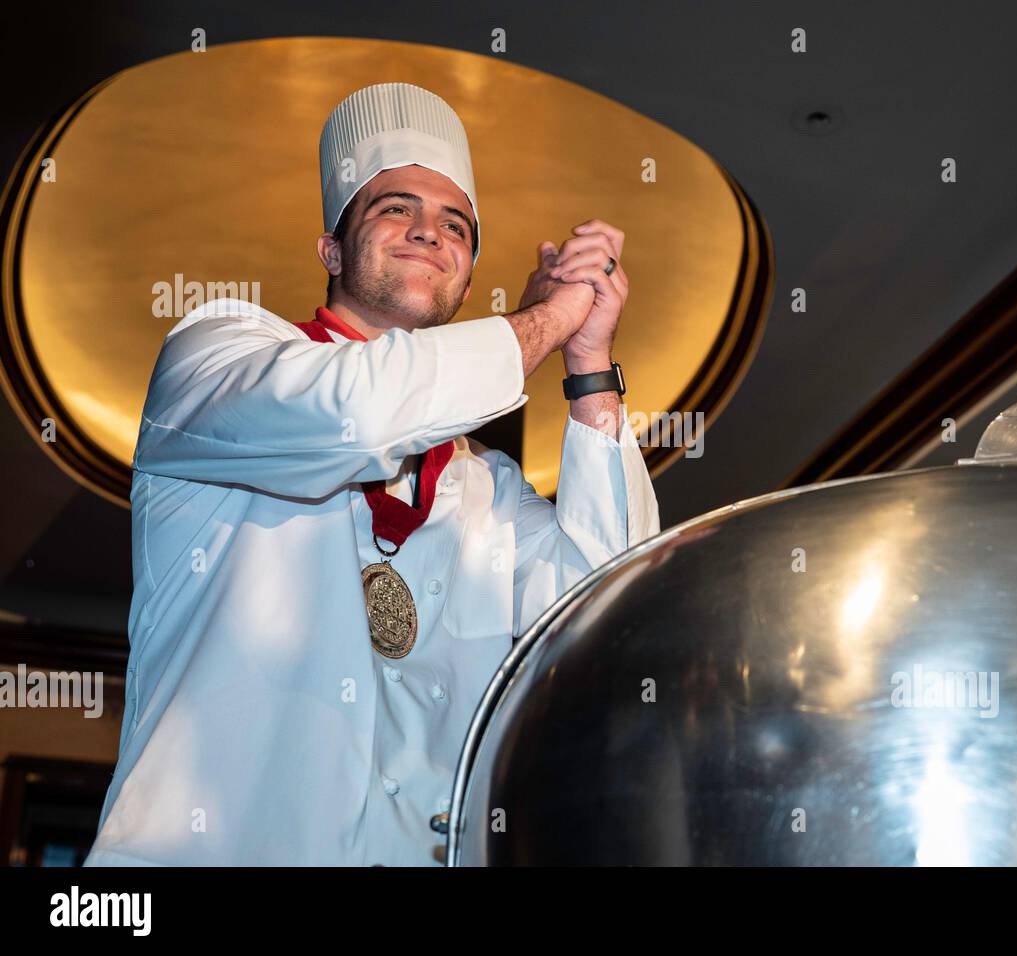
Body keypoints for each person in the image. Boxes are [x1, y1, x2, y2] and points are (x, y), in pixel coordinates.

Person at [84, 82, 659, 866]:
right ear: (330, 249)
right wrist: (545, 323)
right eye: (396, 208)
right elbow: (358, 410)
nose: (430, 232)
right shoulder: (218, 356)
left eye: (456, 225)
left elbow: (612, 601)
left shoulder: (484, 483)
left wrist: (588, 365)